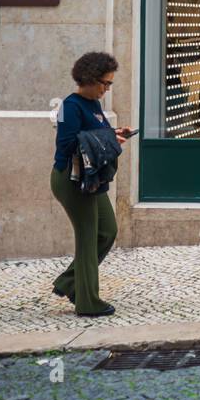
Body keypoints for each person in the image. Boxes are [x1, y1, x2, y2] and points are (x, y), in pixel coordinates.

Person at [51, 52, 130, 316]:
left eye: (110, 84)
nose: (106, 90)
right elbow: (67, 144)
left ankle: (69, 282)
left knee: (107, 231)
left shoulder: (94, 105)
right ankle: (88, 302)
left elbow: (98, 133)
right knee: (87, 237)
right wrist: (104, 141)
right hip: (72, 178)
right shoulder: (70, 106)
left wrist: (114, 135)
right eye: (104, 84)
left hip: (93, 177)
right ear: (89, 79)